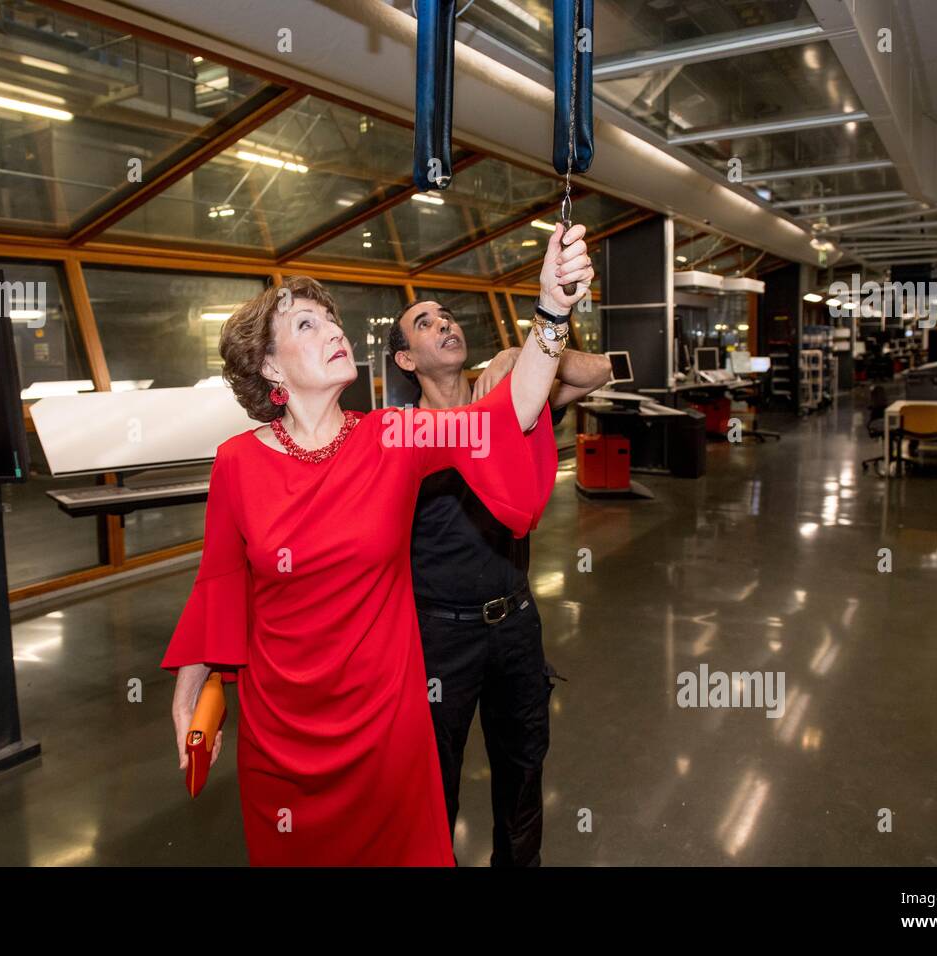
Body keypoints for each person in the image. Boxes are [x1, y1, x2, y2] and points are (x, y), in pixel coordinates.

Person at [162, 222, 594, 866]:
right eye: (307, 324)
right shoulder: (236, 463)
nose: (334, 331)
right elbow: (222, 581)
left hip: (386, 724)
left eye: (331, 321)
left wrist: (552, 309)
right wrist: (191, 684)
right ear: (270, 366)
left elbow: (508, 412)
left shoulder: (392, 437)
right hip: (281, 731)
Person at [388, 294, 610, 866]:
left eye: (447, 315)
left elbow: (600, 369)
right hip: (440, 639)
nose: (444, 324)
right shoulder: (403, 437)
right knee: (437, 784)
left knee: (523, 769)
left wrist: (523, 354)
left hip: (514, 624)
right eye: (425, 323)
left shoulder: (513, 407)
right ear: (407, 360)